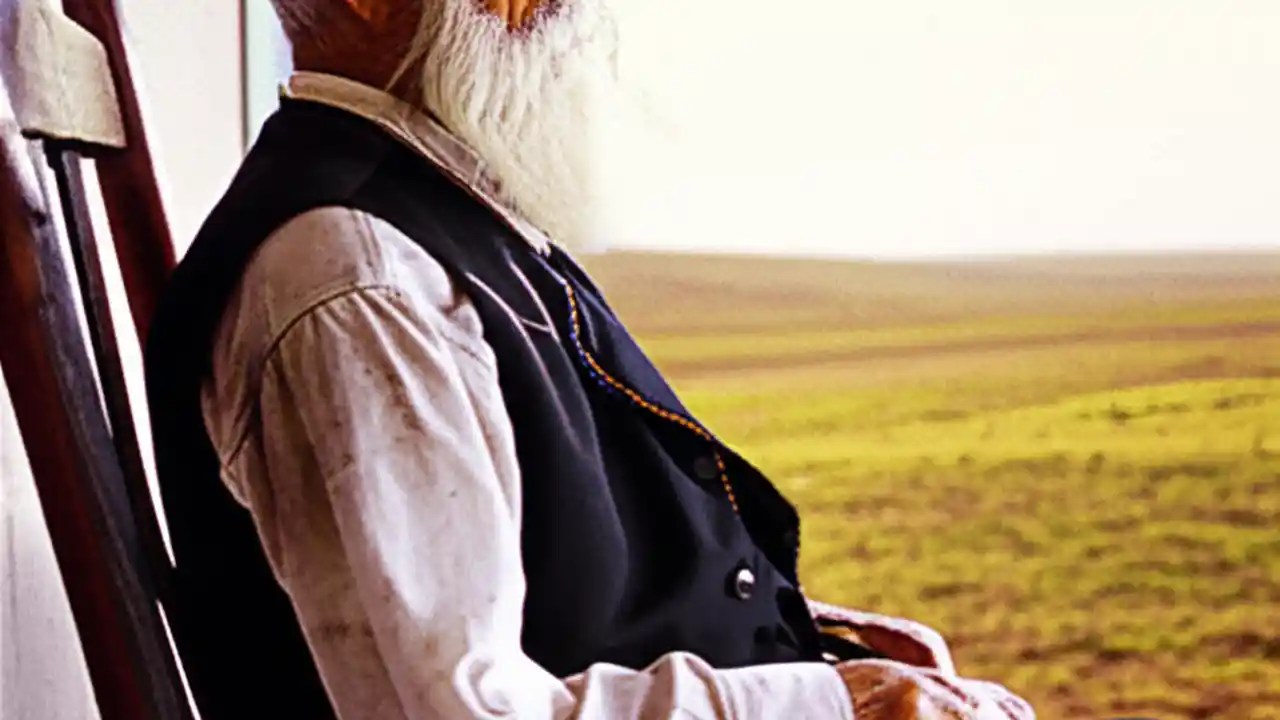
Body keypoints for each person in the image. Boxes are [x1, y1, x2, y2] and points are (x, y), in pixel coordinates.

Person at [144, 1, 1035, 718]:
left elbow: (531, 592)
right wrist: (837, 704)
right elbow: (462, 709)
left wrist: (815, 647)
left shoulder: (443, 217)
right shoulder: (357, 278)